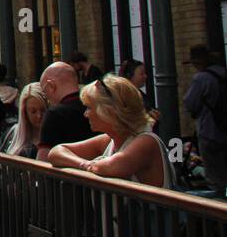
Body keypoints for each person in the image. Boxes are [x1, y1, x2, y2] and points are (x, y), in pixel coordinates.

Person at [48, 75, 177, 188]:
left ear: (108, 111)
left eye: (89, 107)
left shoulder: (146, 141)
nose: (86, 114)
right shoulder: (109, 139)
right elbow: (56, 152)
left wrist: (91, 166)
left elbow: (113, 167)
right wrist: (85, 164)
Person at [183, 45, 227, 197]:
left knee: (216, 179)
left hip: (210, 132)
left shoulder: (201, 78)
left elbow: (190, 103)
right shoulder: (223, 73)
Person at [37, 62, 90, 160]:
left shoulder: (54, 114)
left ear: (51, 85)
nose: (47, 100)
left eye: (45, 92)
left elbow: (42, 162)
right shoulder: (94, 107)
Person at [2, 83, 47, 158]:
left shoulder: (56, 135)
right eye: (33, 111)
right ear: (25, 112)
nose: (39, 116)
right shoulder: (13, 134)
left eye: (43, 110)